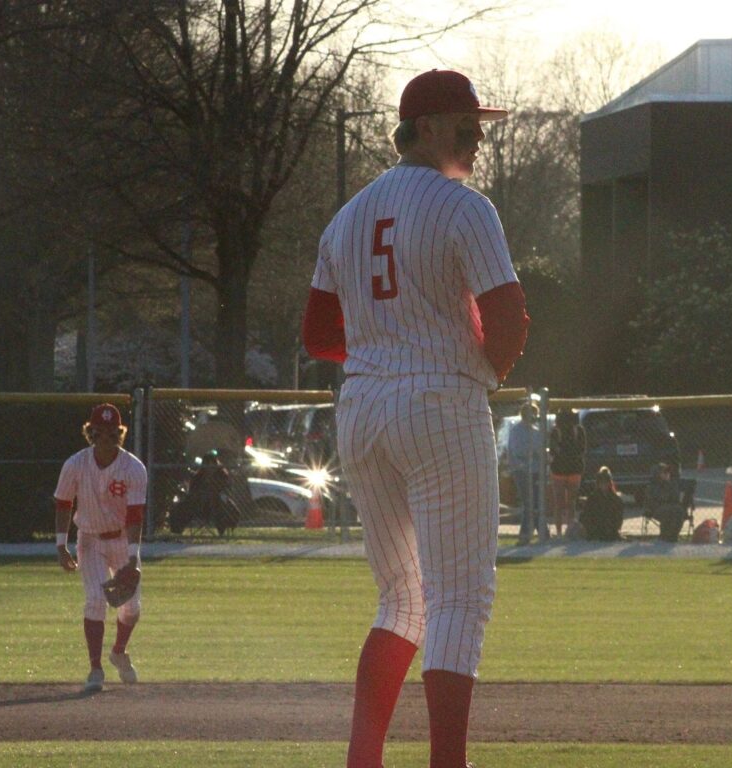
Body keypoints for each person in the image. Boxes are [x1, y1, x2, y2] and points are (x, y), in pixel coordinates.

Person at [301, 69, 528, 768]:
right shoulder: (465, 208)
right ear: (425, 129)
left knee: (402, 597)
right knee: (459, 599)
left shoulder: (348, 215)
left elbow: (316, 334)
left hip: (364, 410)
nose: (479, 137)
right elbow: (509, 321)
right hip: (439, 403)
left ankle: (363, 758)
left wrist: (380, 345)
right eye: (466, 125)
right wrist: (484, 367)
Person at [54, 403, 148, 693]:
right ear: (90, 432)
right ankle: (96, 668)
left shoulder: (133, 468)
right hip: (91, 539)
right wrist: (61, 545)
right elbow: (63, 502)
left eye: (111, 432)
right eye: (99, 431)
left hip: (121, 539)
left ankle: (119, 651)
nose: (105, 437)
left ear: (119, 433)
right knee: (96, 600)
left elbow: (135, 515)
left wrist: (132, 557)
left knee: (131, 608)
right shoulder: (75, 464)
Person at [508, 403, 547, 545]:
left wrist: (537, 454)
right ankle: (525, 534)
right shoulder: (516, 430)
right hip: (521, 470)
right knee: (528, 502)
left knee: (536, 502)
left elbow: (540, 451)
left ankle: (542, 532)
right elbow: (517, 451)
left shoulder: (536, 432)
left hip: (535, 470)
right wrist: (531, 453)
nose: (534, 417)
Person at [547, 408, 586, 539]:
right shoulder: (579, 430)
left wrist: (560, 451)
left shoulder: (555, 431)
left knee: (559, 503)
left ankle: (558, 532)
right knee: (571, 503)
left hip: (558, 470)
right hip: (575, 469)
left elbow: (552, 451)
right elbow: (582, 449)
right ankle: (570, 531)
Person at [645, 462, 686, 543]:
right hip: (656, 509)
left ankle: (673, 536)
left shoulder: (671, 484)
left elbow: (675, 498)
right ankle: (664, 536)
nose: (667, 474)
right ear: (658, 474)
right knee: (670, 511)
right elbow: (660, 498)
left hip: (672, 507)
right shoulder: (653, 486)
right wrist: (665, 486)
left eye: (668, 472)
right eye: (664, 472)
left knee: (679, 511)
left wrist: (669, 485)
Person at [582, 466, 624, 542]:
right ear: (598, 484)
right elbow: (586, 516)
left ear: (609, 483)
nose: (604, 485)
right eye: (601, 482)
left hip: (610, 529)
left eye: (606, 482)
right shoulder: (592, 498)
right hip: (596, 529)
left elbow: (618, 517)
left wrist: (614, 528)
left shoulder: (615, 499)